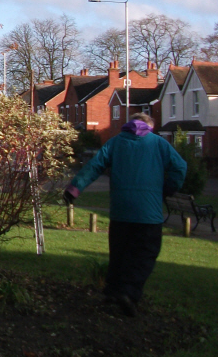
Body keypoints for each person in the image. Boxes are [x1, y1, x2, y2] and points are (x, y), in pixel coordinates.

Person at [63, 113, 186, 317]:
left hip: (120, 211)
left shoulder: (115, 143)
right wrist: (168, 188)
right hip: (148, 213)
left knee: (119, 252)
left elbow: (94, 166)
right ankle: (128, 292)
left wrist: (74, 189)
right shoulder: (158, 144)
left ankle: (113, 291)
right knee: (144, 255)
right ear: (149, 127)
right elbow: (180, 166)